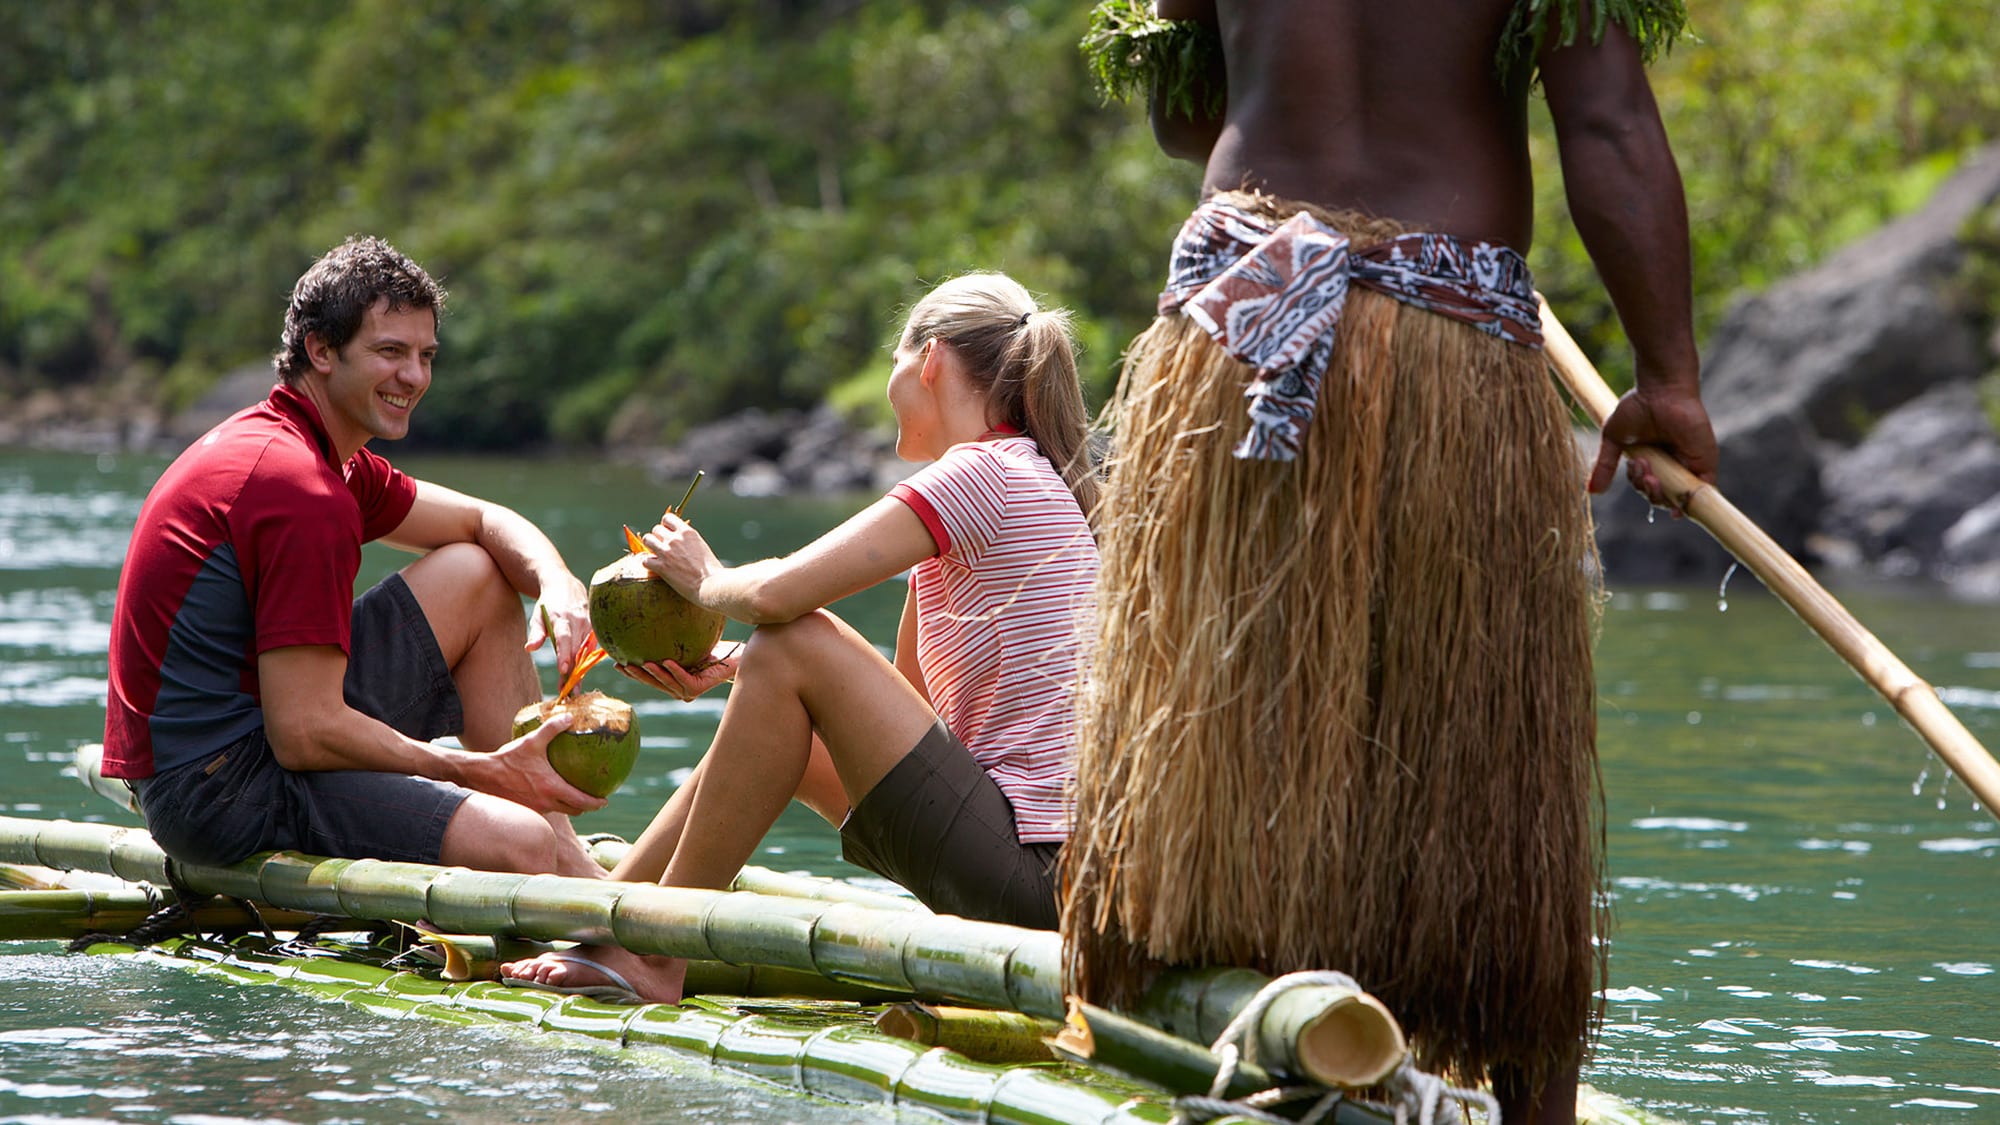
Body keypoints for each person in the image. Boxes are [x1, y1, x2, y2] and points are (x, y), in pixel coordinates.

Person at [1062, 4, 1719, 1123]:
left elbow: (1189, 111)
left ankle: (1232, 1051)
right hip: (1443, 335)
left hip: (1235, 320)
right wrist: (1667, 379)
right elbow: (1602, 122)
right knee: (1483, 754)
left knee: (1229, 736)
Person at [500, 272, 1102, 1004]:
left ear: (930, 359)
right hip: (1020, 872)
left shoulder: (983, 473)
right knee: (779, 663)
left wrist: (703, 576)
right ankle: (612, 919)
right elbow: (911, 726)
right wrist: (738, 674)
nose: (891, 381)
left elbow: (778, 595)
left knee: (794, 639)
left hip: (1040, 890)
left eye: (894, 359)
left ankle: (656, 951)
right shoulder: (1010, 484)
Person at [102, 235, 606, 879]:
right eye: (390, 352)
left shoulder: (321, 459)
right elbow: (305, 732)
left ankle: (577, 874)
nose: (415, 377)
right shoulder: (298, 489)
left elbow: (484, 520)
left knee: (476, 574)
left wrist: (557, 584)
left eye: (426, 355)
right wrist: (476, 772)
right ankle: (571, 877)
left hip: (251, 738)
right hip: (215, 790)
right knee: (519, 843)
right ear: (321, 350)